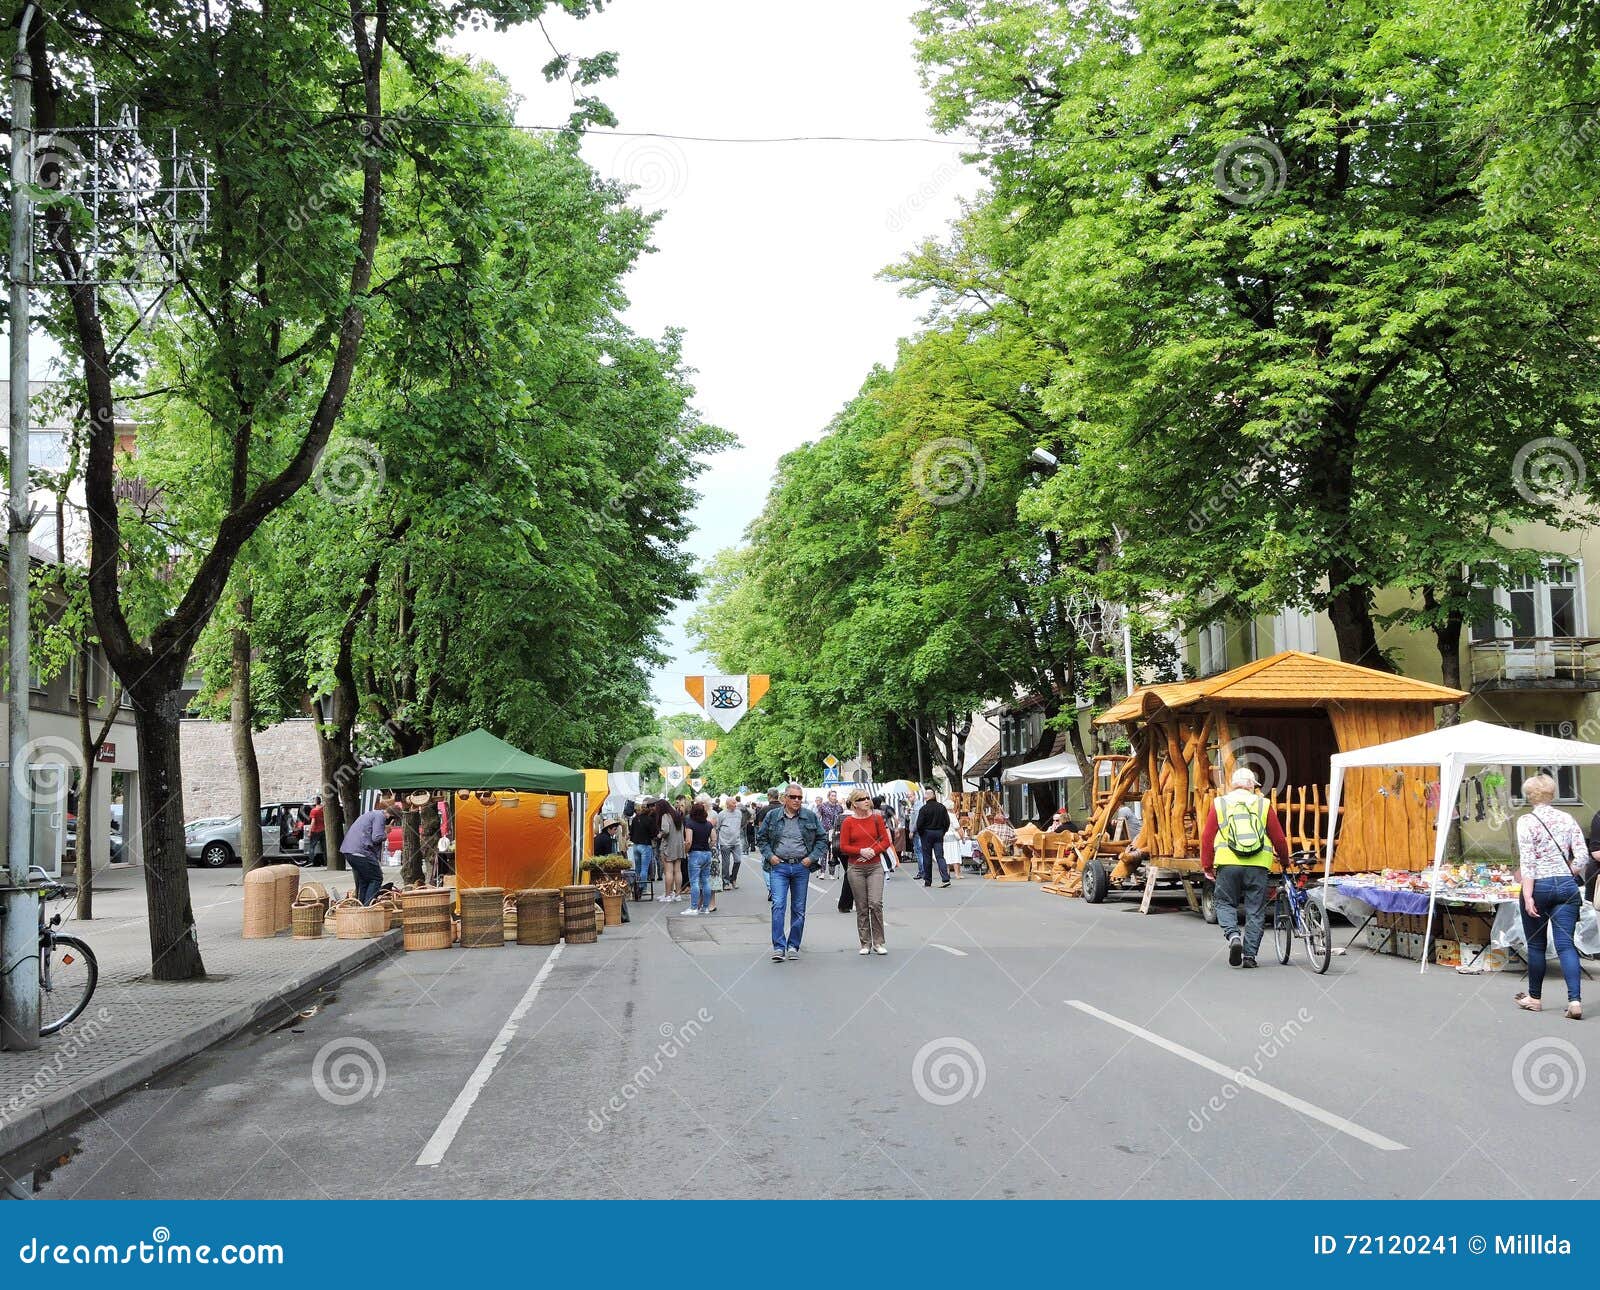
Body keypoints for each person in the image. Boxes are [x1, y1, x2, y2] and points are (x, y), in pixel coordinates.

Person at [1200, 767, 1288, 969]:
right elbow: (1278, 838)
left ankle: (1233, 936)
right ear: (1252, 786)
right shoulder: (1263, 804)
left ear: (1233, 784)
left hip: (1228, 864)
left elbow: (1207, 837)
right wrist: (1284, 860)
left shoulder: (1220, 803)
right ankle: (1249, 956)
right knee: (1255, 910)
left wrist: (1207, 865)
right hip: (1258, 866)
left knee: (1224, 903)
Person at [1515, 774, 1585, 1019]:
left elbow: (1528, 862)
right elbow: (1583, 855)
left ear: (1529, 795)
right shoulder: (1567, 818)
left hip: (1540, 886)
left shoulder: (1526, 821)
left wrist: (1528, 894)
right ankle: (1574, 1001)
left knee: (1536, 945)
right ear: (1552, 794)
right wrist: (1568, 872)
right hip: (1566, 886)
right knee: (1566, 945)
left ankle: (1534, 998)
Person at [755, 782, 827, 961]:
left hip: (801, 867)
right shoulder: (773, 816)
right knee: (778, 905)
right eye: (793, 797)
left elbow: (822, 839)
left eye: (800, 797)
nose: (797, 800)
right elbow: (761, 838)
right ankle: (779, 947)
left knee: (799, 908)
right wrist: (770, 856)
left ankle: (793, 945)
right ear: (784, 798)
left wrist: (811, 858)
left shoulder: (809, 816)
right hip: (779, 866)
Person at [840, 789, 892, 954]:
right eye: (862, 799)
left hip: (875, 866)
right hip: (855, 868)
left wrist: (873, 850)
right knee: (862, 906)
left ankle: (878, 942)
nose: (866, 801)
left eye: (868, 798)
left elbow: (885, 840)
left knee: (875, 903)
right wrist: (860, 851)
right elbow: (843, 846)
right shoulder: (848, 822)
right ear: (854, 803)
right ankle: (865, 943)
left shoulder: (876, 818)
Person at [340, 796, 398, 905]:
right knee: (376, 878)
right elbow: (376, 837)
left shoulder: (372, 814)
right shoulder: (380, 817)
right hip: (361, 851)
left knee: (365, 880)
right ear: (392, 817)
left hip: (349, 850)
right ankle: (368, 907)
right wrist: (386, 832)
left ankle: (361, 907)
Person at [682, 801, 717, 916]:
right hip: (707, 853)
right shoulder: (708, 824)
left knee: (694, 881)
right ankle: (705, 907)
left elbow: (688, 841)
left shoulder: (690, 824)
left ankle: (693, 907)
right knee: (706, 881)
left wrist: (686, 852)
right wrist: (708, 846)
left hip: (695, 854)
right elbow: (714, 839)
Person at [913, 786, 952, 888]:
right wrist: (943, 831)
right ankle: (945, 878)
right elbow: (947, 822)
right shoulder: (942, 807)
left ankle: (928, 881)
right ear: (934, 796)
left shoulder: (924, 809)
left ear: (926, 797)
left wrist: (922, 833)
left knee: (927, 857)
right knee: (940, 856)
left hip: (926, 833)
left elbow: (919, 824)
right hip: (939, 833)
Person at [658, 797, 686, 903]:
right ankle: (677, 894)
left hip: (669, 846)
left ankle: (668, 894)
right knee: (678, 871)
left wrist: (660, 834)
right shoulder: (677, 815)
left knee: (668, 871)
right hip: (679, 845)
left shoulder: (665, 816)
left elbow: (665, 830)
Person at [627, 800, 658, 899]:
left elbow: (631, 833)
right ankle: (643, 888)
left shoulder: (635, 819)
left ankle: (636, 887)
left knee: (638, 868)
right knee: (644, 868)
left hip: (636, 845)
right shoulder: (649, 820)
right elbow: (653, 834)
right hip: (645, 845)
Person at [715, 796, 744, 890]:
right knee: (726, 863)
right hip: (725, 842)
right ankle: (726, 882)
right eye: (733, 803)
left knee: (738, 860)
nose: (735, 805)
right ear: (727, 805)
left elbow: (741, 824)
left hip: (736, 842)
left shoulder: (739, 813)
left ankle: (733, 879)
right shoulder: (722, 814)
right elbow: (717, 827)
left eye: (735, 803)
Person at [816, 790, 844, 879]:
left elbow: (841, 818)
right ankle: (822, 872)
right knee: (824, 851)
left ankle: (831, 873)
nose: (834, 797)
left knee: (833, 852)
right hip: (825, 831)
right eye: (832, 795)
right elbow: (818, 816)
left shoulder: (839, 807)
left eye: (835, 795)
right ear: (829, 796)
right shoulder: (823, 806)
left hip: (835, 832)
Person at [306, 796, 327, 866]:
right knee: (324, 847)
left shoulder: (314, 811)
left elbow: (313, 822)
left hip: (315, 831)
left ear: (315, 802)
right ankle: (326, 862)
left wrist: (309, 831)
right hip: (323, 830)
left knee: (312, 847)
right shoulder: (323, 809)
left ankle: (310, 861)